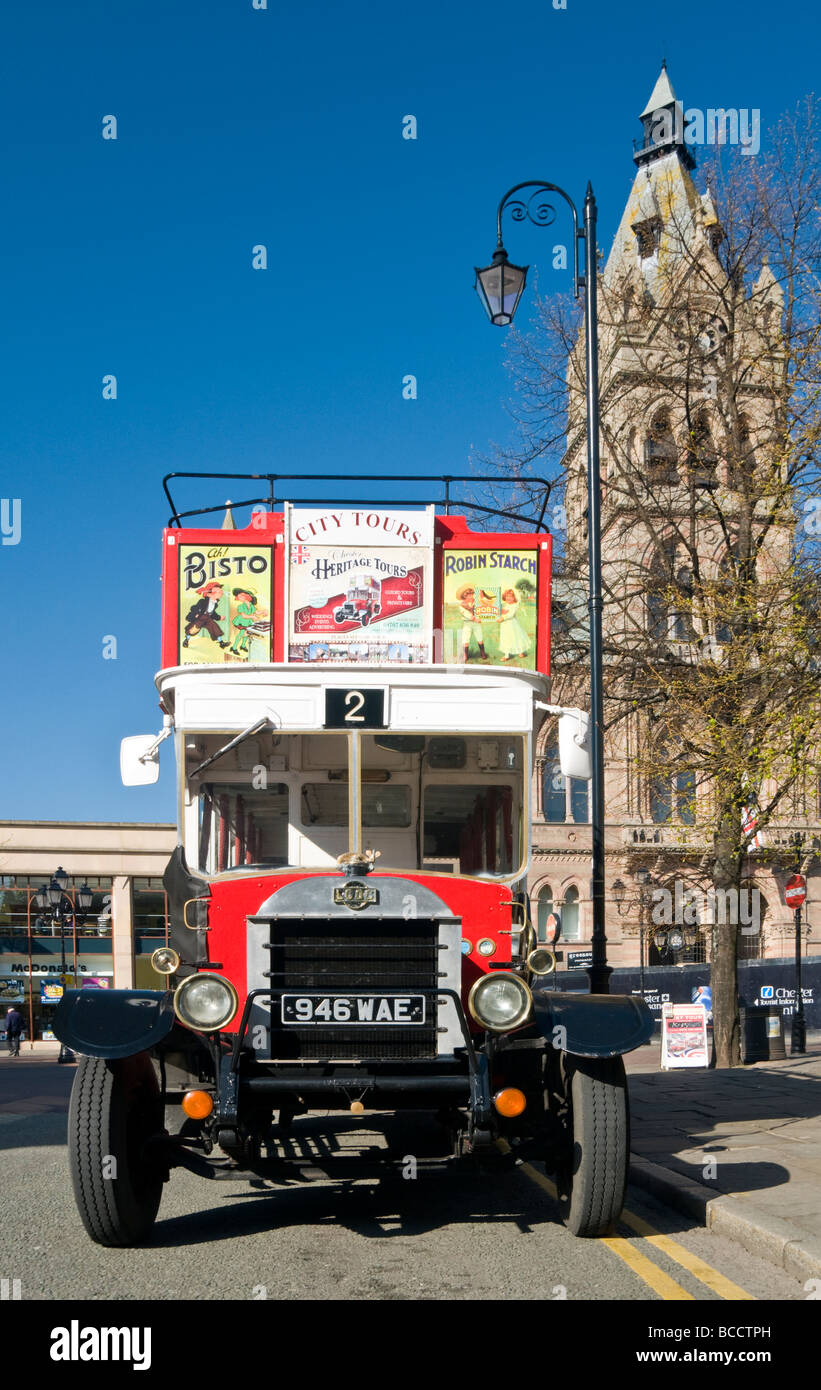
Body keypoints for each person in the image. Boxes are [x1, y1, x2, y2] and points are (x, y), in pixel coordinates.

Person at [455, 584, 489, 663]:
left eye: (472, 595)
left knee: (479, 638)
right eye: (468, 595)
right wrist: (474, 618)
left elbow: (482, 609)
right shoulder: (462, 605)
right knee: (465, 639)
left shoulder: (477, 602)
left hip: (477, 624)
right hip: (467, 623)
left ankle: (482, 653)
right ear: (464, 596)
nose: (470, 597)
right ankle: (465, 655)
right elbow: (466, 614)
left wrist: (480, 617)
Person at [498, 587, 530, 662]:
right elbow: (498, 610)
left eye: (510, 597)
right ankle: (506, 655)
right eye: (507, 596)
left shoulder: (514, 605)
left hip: (512, 624)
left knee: (516, 637)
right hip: (504, 625)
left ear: (514, 598)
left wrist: (503, 618)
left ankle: (520, 651)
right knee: (506, 638)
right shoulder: (504, 605)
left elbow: (510, 614)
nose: (508, 598)